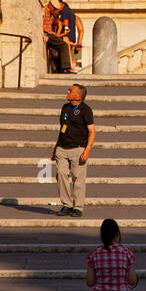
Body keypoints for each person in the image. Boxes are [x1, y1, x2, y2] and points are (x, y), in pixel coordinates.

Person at [50, 83, 94, 217]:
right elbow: (62, 129)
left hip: (78, 148)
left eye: (71, 90)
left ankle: (78, 206)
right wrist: (56, 147)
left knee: (78, 178)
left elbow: (92, 131)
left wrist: (87, 151)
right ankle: (67, 205)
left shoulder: (85, 110)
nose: (67, 91)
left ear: (78, 96)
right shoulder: (65, 108)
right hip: (62, 148)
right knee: (61, 175)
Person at [44, 0, 78, 73]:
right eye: (55, 9)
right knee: (64, 45)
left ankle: (63, 68)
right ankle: (65, 68)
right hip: (48, 33)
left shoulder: (53, 14)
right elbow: (43, 25)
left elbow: (58, 28)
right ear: (50, 5)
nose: (56, 10)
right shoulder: (45, 11)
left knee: (63, 45)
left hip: (51, 34)